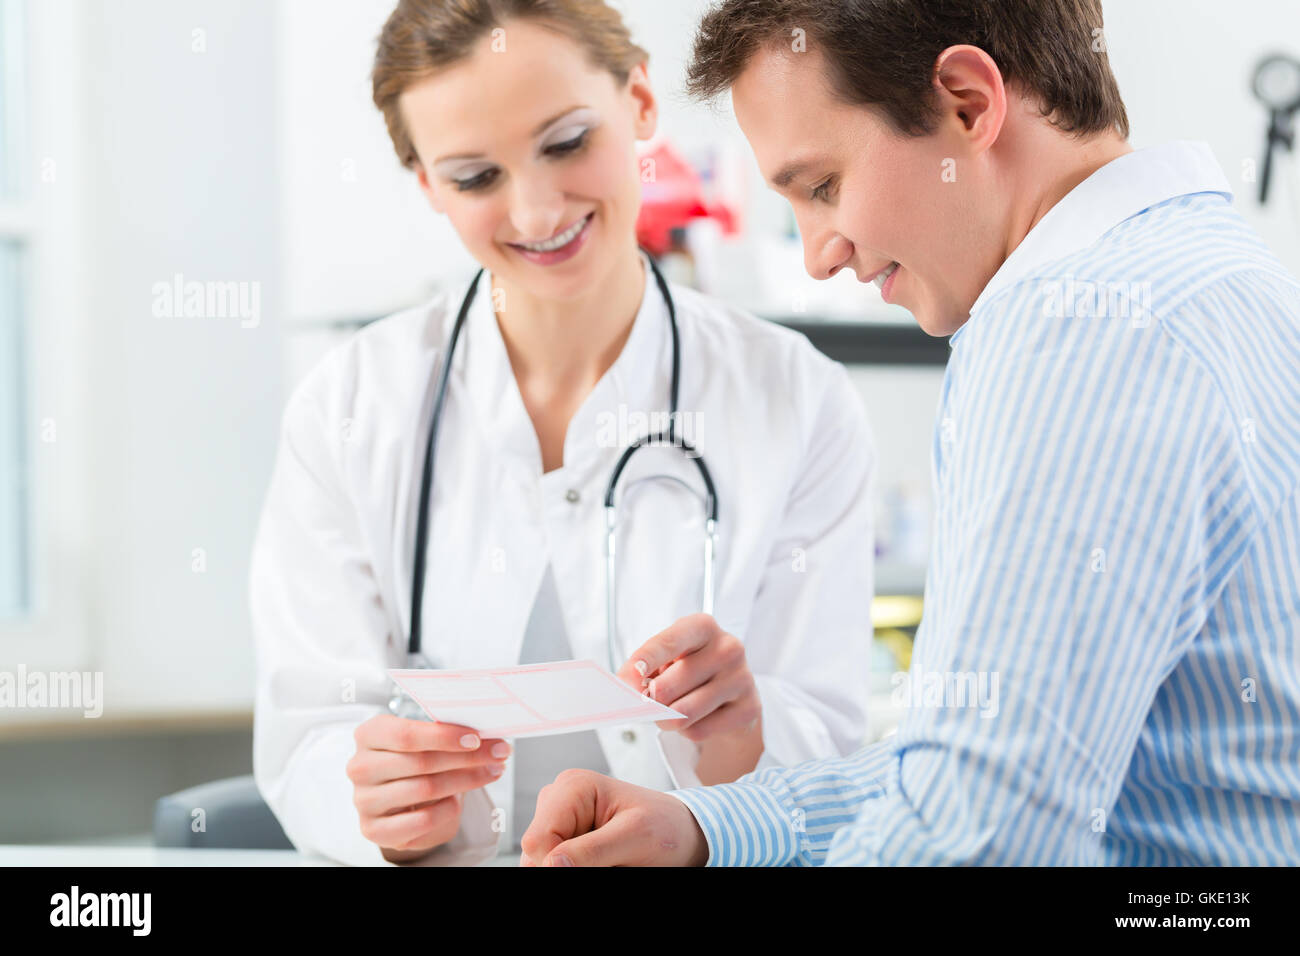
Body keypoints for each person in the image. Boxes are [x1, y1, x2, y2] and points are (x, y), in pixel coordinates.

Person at [521, 0, 1300, 866]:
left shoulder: (1076, 330)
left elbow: (985, 830)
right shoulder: (1216, 271)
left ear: (968, 103)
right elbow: (979, 760)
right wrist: (709, 826)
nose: (819, 251)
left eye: (821, 187)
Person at [249, 0, 877, 866]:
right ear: (426, 183)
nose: (539, 212)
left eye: (568, 141)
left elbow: (837, 747)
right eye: (475, 177)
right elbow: (309, 730)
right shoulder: (350, 407)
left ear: (641, 104)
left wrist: (743, 741)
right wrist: (372, 803)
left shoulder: (797, 399)